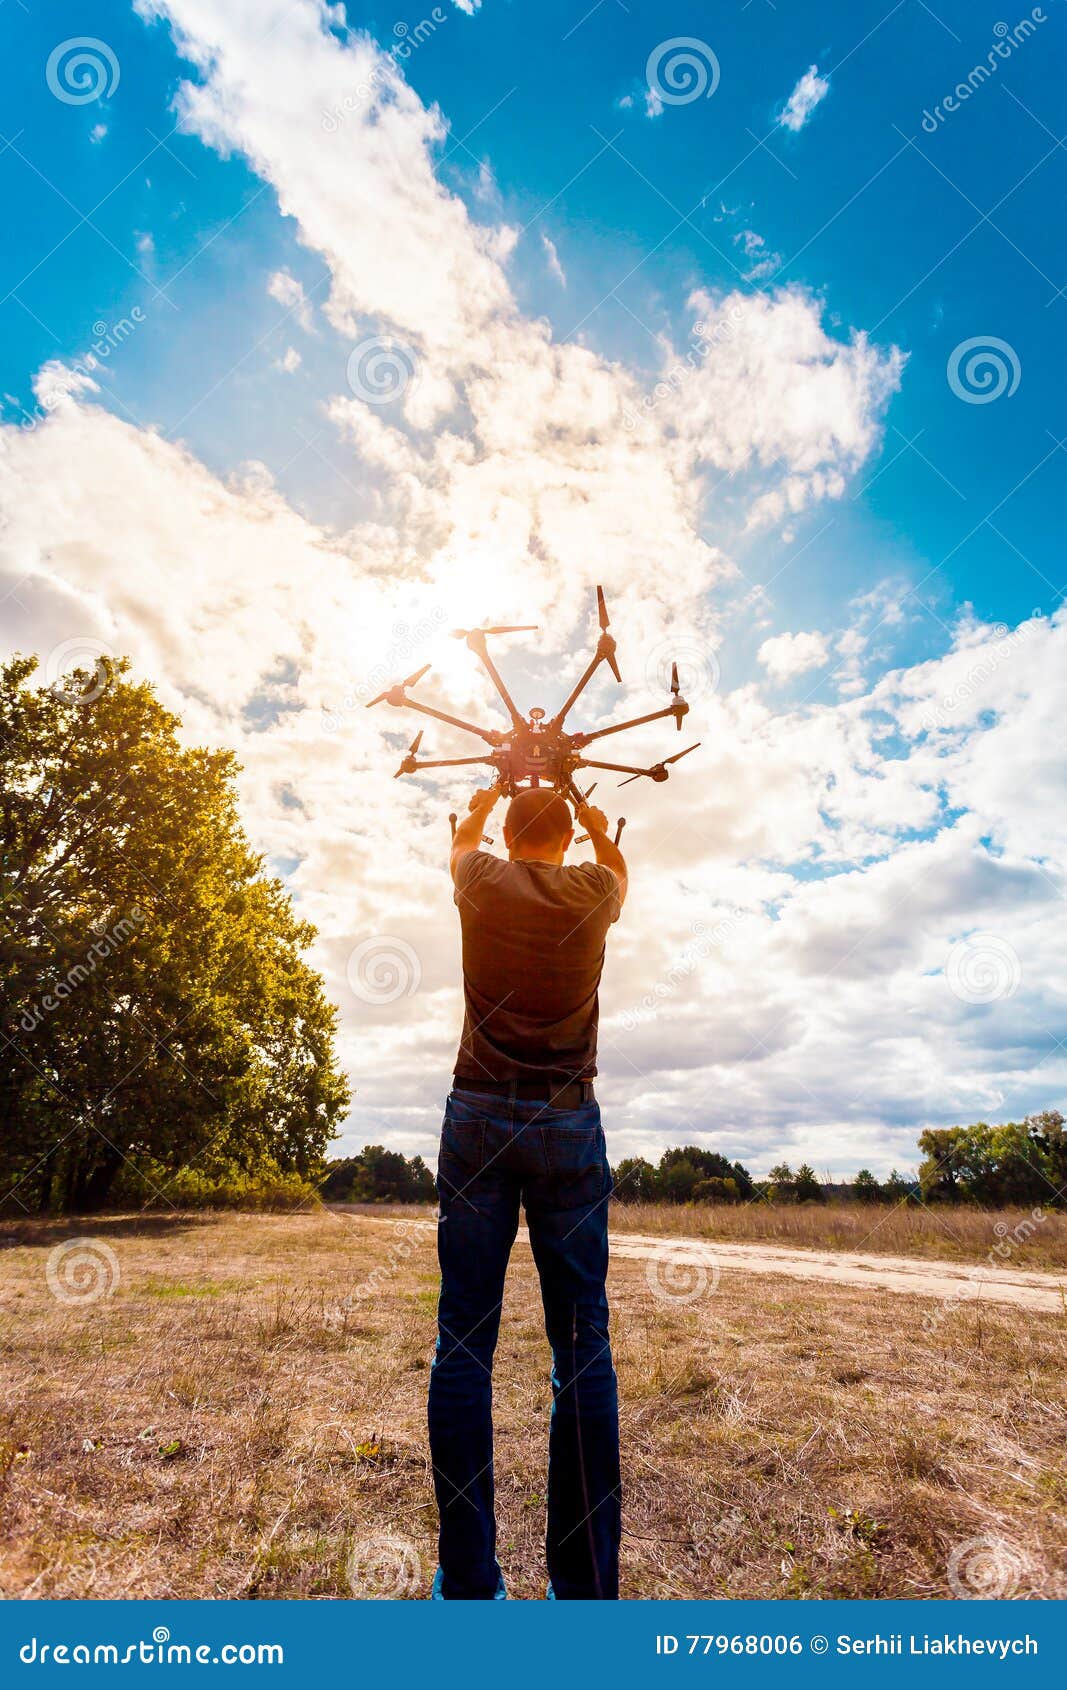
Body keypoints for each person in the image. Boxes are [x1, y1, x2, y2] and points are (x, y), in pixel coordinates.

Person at [427, 783, 627, 1601]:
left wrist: (483, 799)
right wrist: (587, 814)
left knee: (463, 1345)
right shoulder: (594, 887)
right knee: (581, 1349)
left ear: (509, 835)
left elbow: (459, 843)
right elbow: (616, 861)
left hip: (476, 1114)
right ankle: (582, 1596)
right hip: (566, 1121)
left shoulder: (480, 877)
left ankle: (469, 1584)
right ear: (563, 840)